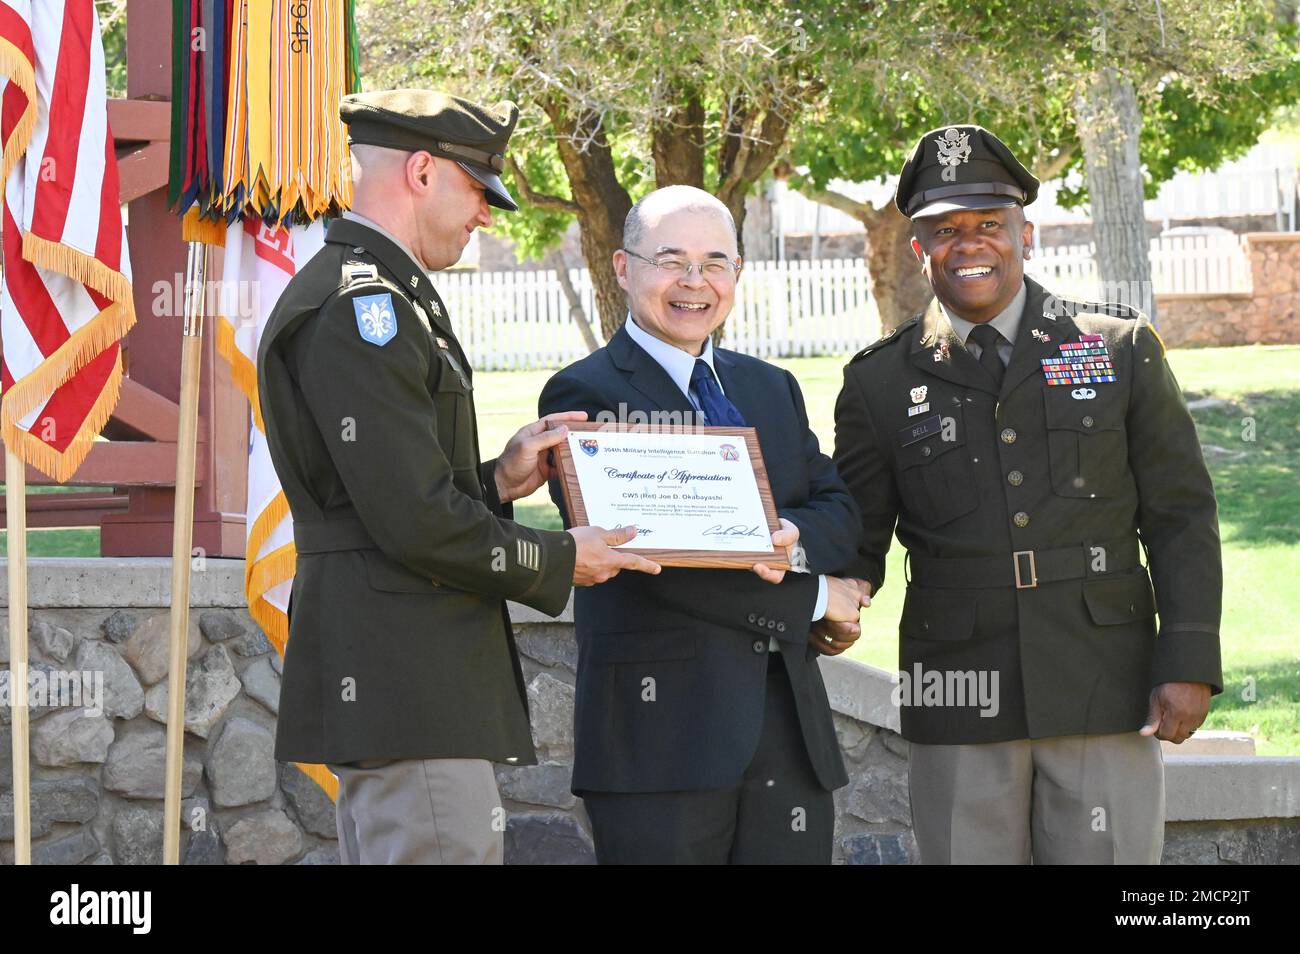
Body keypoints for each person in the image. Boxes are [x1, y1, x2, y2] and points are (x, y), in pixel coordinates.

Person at [256, 90, 658, 865]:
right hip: (406, 680)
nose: (486, 216)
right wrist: (564, 556)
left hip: (403, 675)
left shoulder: (384, 293)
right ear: (420, 171)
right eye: (478, 190)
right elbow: (412, 518)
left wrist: (498, 480)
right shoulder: (363, 307)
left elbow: (391, 492)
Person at [830, 125, 1223, 864]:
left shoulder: (1114, 348)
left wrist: (1190, 659)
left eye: (989, 226)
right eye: (945, 230)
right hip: (958, 686)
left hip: (1103, 679)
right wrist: (831, 596)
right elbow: (857, 534)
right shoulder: (880, 382)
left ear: (1026, 233)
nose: (969, 244)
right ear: (919, 247)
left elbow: (1180, 515)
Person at [538, 185, 870, 864]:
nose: (696, 283)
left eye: (715, 262)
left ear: (738, 273)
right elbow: (649, 564)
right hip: (660, 747)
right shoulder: (588, 396)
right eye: (672, 261)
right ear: (623, 268)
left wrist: (792, 540)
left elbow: (840, 514)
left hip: (789, 739)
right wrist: (813, 597)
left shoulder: (770, 387)